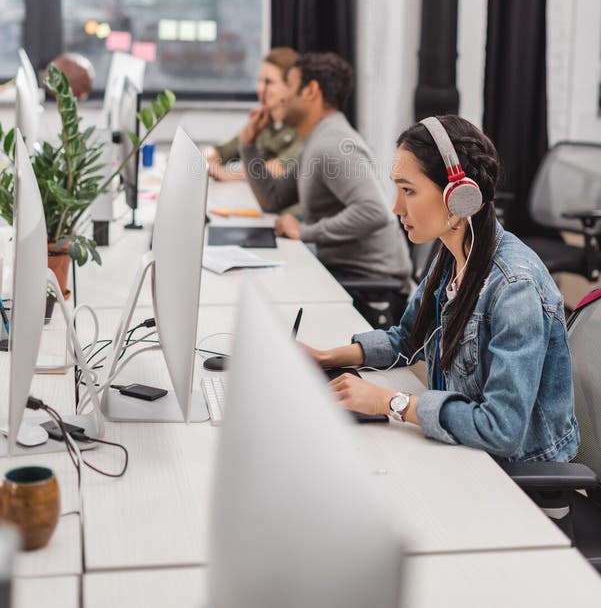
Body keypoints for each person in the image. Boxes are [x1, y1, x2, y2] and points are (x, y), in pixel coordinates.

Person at [306, 114, 579, 462]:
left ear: (458, 196)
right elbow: (409, 339)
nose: (396, 207)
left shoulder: (515, 288)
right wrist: (326, 357)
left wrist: (391, 402)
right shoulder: (452, 256)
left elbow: (501, 429)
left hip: (514, 477)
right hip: (464, 455)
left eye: (408, 190)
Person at [238, 51, 412, 285]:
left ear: (311, 91)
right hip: (346, 271)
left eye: (289, 86)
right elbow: (273, 198)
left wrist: (304, 231)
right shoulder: (316, 140)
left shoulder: (333, 143)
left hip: (370, 281)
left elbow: (374, 211)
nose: (282, 97)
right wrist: (248, 145)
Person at [207, 47, 301, 182]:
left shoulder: (302, 125)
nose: (260, 89)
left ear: (290, 86)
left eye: (269, 82)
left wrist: (228, 175)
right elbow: (224, 151)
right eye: (259, 81)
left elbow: (279, 167)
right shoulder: (262, 121)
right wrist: (204, 161)